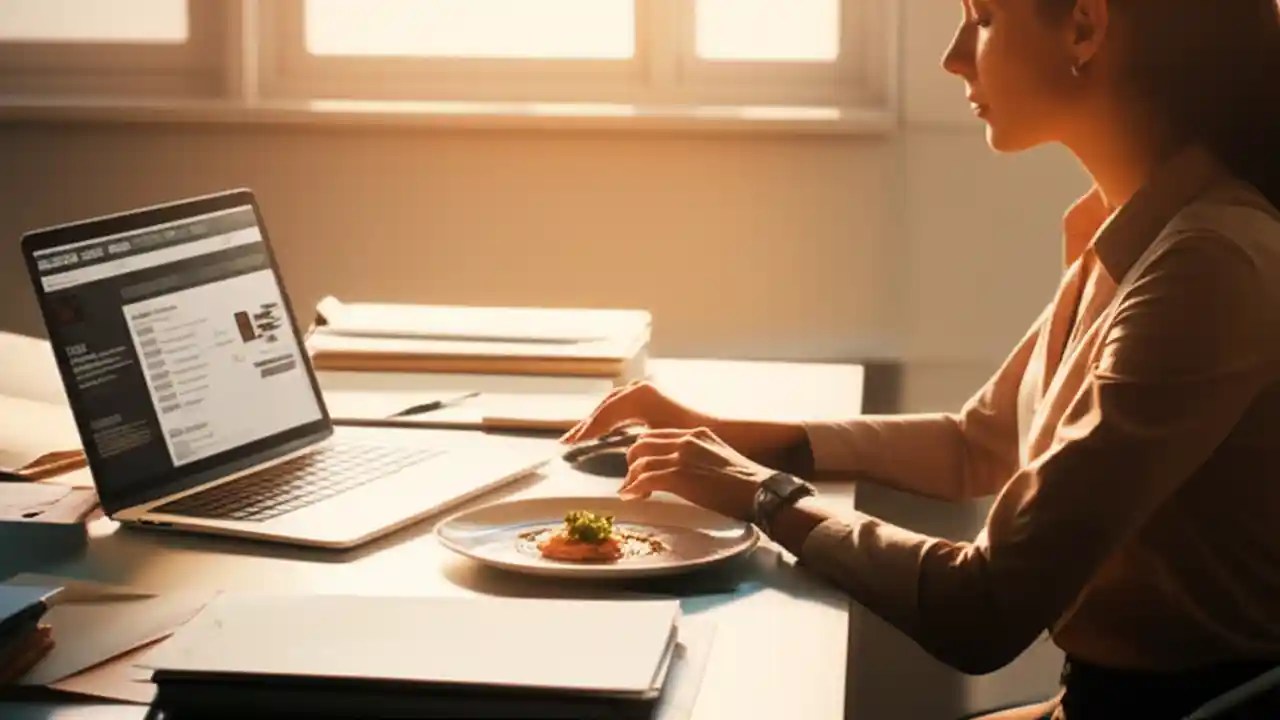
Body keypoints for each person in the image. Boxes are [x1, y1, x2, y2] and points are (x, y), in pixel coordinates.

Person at [560, 1, 1280, 717]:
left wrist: (763, 496)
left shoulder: (1208, 265)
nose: (955, 56)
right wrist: (735, 436)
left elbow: (984, 606)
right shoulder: (1131, 225)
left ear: (1086, 28)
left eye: (985, 17)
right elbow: (977, 444)